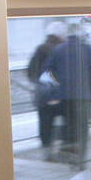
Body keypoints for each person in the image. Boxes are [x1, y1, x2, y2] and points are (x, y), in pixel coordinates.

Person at [45, 21, 91, 165]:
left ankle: (70, 157)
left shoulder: (59, 49)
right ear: (81, 35)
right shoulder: (88, 50)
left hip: (65, 97)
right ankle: (81, 159)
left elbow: (48, 72)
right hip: (84, 97)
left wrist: (56, 91)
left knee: (70, 127)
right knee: (83, 130)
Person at [27, 20, 66, 156]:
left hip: (43, 95)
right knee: (67, 121)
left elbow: (31, 71)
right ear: (61, 35)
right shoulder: (61, 49)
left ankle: (47, 152)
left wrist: (38, 83)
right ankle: (65, 150)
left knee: (45, 124)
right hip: (59, 94)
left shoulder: (40, 48)